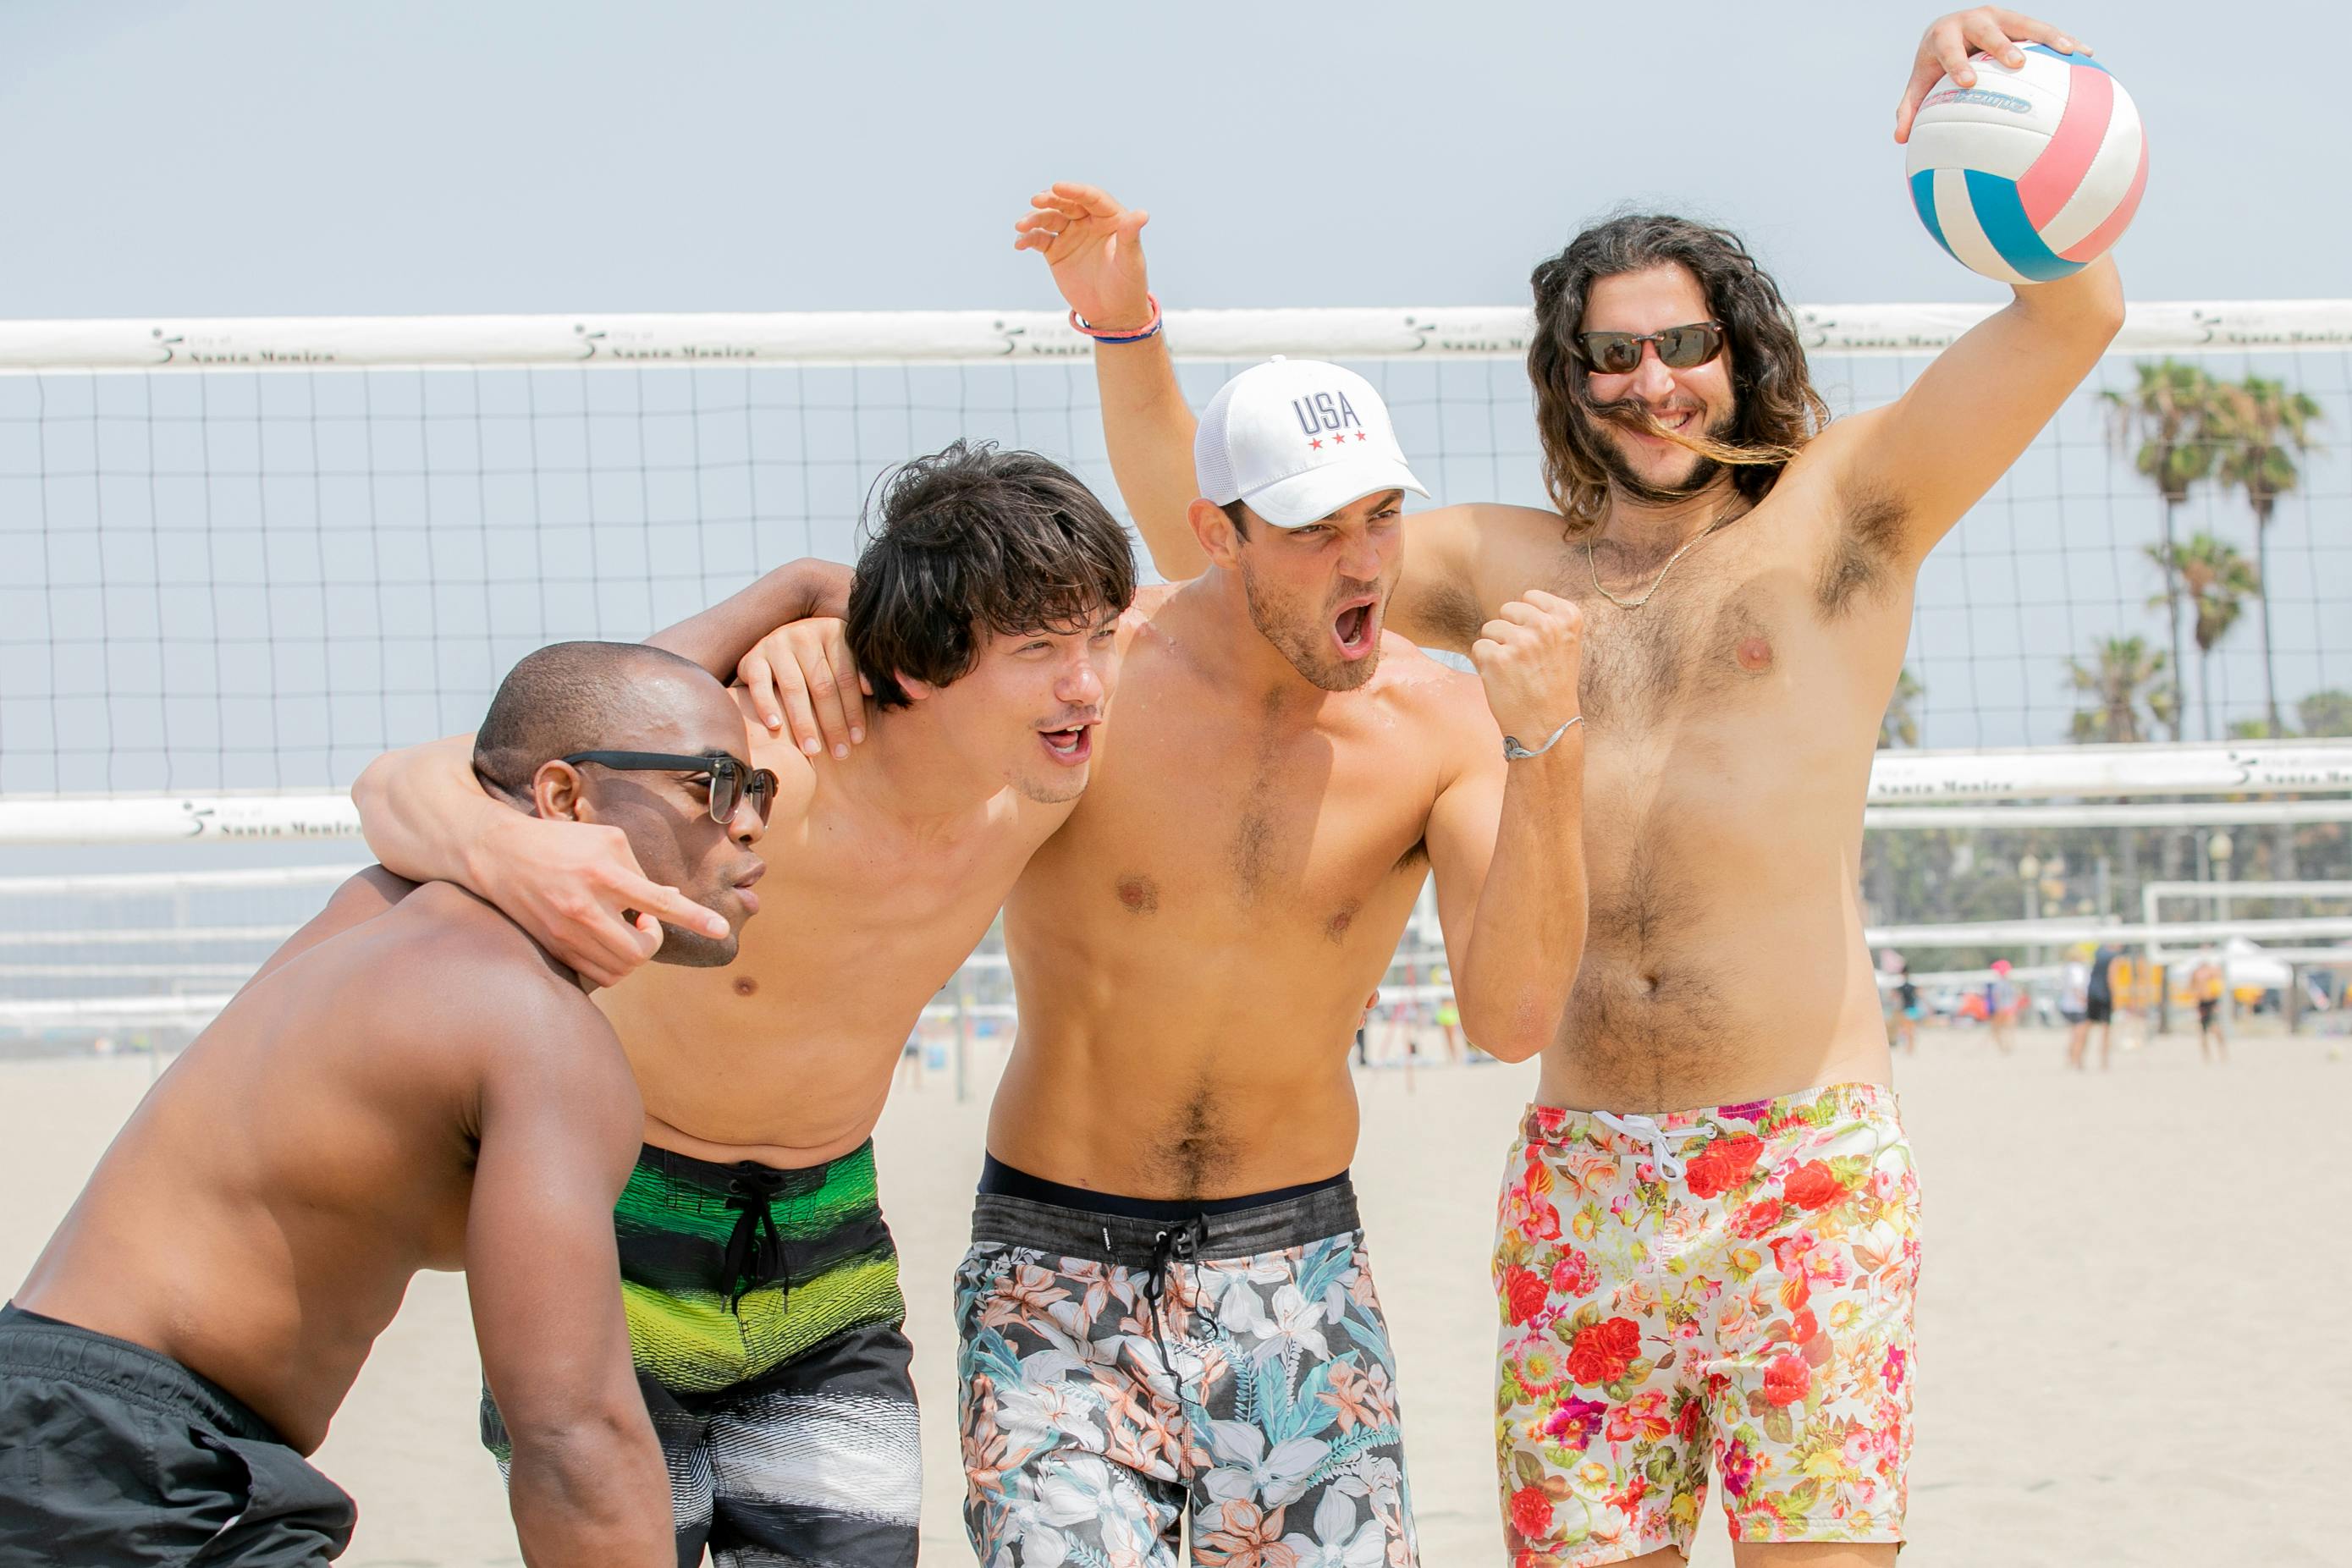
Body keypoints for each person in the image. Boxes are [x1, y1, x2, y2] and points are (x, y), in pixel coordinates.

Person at [1011, 8, 2118, 1559]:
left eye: (1683, 344)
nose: (1651, 381)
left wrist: (1995, 102)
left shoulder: (1847, 511)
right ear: (1565, 373)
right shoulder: (1496, 567)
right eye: (1611, 353)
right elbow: (1215, 526)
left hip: (1798, 1164)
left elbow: (2066, 321)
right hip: (1581, 1164)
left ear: (1739, 351)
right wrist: (1127, 333)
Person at [753, 360, 1587, 1564]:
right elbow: (914, 688)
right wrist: (804, 631)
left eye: (1381, 517)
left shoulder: (1443, 724)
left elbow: (1512, 1017)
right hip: (1053, 1270)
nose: (1362, 563)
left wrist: (1544, 744)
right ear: (1217, 533)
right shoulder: (1090, 684)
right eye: (1311, 530)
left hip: (1296, 1278)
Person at [350, 443, 1136, 1568]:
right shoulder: (768, 763)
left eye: (1099, 638)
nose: (1088, 682)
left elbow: (1241, 601)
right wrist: (787, 593)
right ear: (916, 665)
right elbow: (424, 773)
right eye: (1038, 651)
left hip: (825, 1245)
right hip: (611, 1228)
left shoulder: (1055, 769)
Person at [1, 640, 769, 1566]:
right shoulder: (536, 1028)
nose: (751, 822)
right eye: (715, 785)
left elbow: (563, 709)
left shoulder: (373, 909)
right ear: (564, 798)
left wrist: (796, 587)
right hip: (130, 1466)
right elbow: (574, 1437)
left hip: (62, 1419)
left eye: (761, 788)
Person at [2076, 940, 2120, 1070]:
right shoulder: (2114, 957)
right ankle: (2104, 1062)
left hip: (2092, 993)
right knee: (2106, 1030)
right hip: (2105, 995)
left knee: (2087, 1027)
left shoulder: (2098, 954)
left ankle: (2079, 1059)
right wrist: (2116, 998)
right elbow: (2112, 978)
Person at [2192, 955, 2229, 1063]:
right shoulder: (2197, 973)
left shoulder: (2213, 971)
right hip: (2202, 1002)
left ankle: (2222, 1054)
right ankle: (2207, 1057)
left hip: (2211, 1001)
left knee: (2216, 1029)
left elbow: (2219, 980)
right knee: (2203, 1031)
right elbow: (2192, 987)